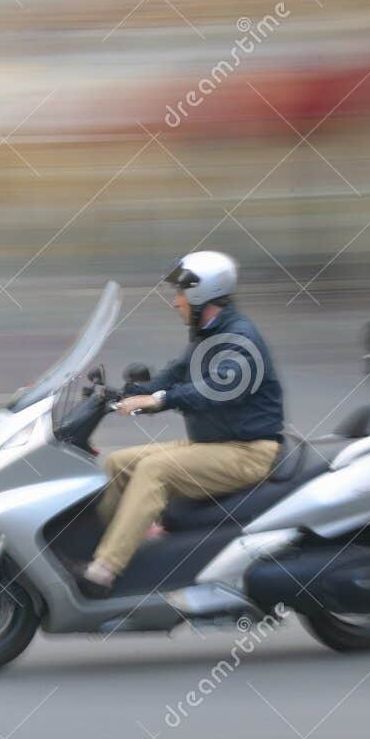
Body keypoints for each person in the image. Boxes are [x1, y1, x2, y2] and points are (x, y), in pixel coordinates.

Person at [79, 250, 285, 597]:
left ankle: (104, 570)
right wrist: (122, 394)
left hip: (247, 452)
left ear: (200, 294)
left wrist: (158, 400)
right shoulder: (208, 334)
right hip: (214, 445)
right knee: (119, 463)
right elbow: (174, 375)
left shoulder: (239, 340)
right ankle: (102, 548)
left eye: (180, 294)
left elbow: (214, 391)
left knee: (154, 471)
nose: (176, 303)